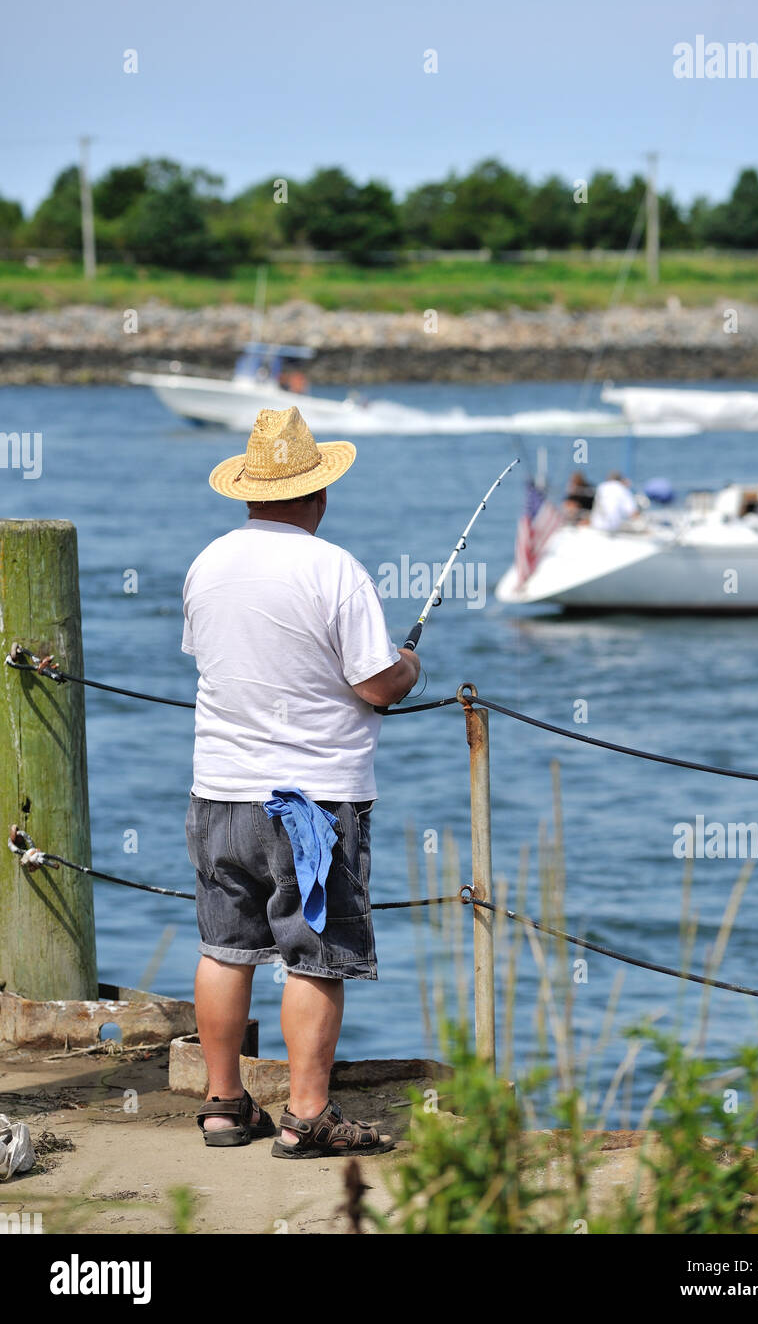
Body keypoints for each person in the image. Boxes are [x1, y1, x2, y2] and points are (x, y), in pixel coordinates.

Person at [182, 406, 419, 1157]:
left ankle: (223, 1107)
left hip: (218, 791)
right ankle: (307, 1116)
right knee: (315, 955)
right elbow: (377, 686)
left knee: (225, 947)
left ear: (247, 492)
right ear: (318, 494)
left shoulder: (207, 562)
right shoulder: (333, 567)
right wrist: (411, 664)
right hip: (311, 801)